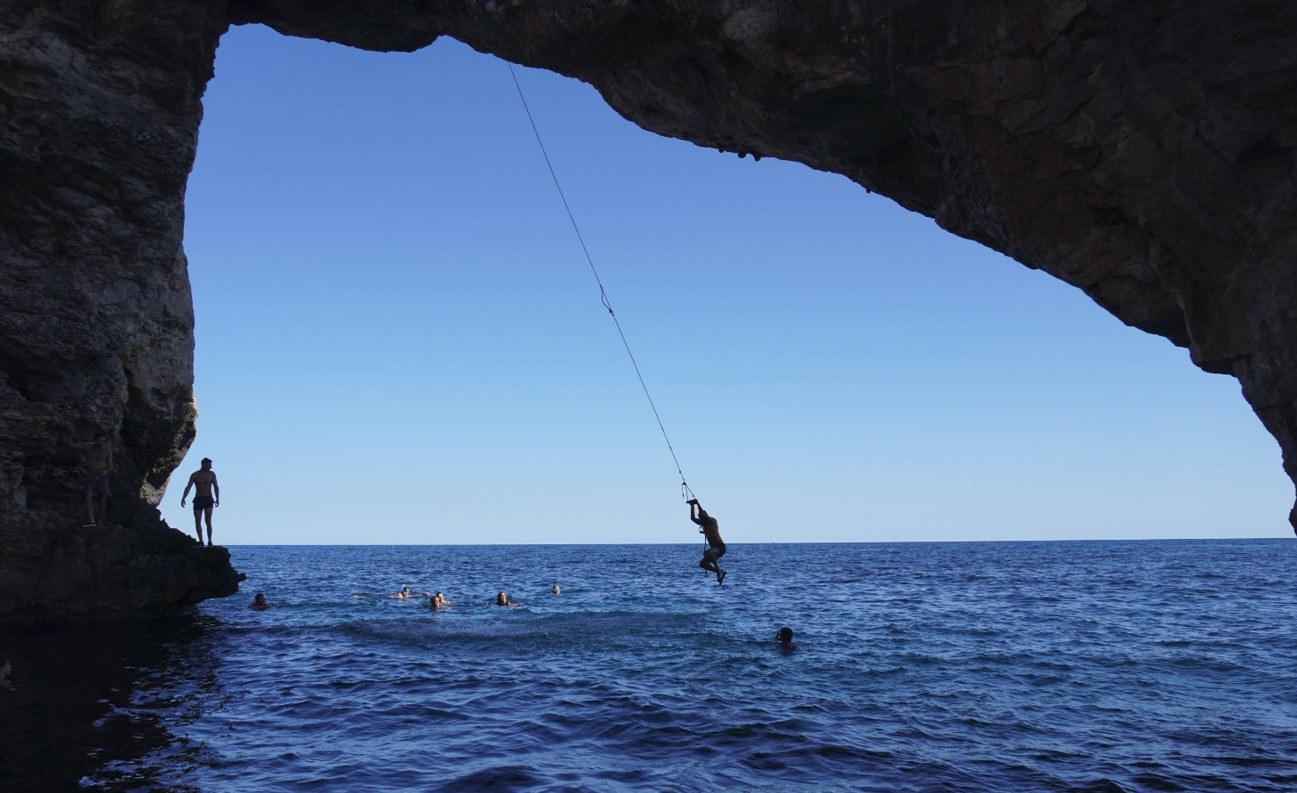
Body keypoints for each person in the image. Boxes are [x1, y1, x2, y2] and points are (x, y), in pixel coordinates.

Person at [180, 458, 220, 546]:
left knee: (208, 521)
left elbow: (216, 487)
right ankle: (201, 540)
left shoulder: (212, 474)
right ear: (204, 464)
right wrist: (183, 498)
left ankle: (210, 541)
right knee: (198, 521)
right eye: (209, 464)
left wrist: (217, 498)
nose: (211, 466)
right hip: (198, 499)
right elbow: (188, 487)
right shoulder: (195, 475)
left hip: (208, 499)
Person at [688, 499, 726, 585]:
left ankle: (719, 572)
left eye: (702, 517)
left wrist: (697, 503)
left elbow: (703, 515)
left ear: (705, 515)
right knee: (702, 564)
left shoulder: (713, 521)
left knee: (708, 552)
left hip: (720, 547)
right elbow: (693, 518)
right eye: (700, 518)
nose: (700, 519)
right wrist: (692, 506)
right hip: (714, 548)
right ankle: (720, 571)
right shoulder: (704, 525)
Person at [80, 432, 113, 527]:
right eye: (99, 440)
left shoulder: (107, 450)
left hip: (102, 477)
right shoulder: (89, 448)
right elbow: (75, 445)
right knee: (88, 498)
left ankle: (99, 521)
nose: (101, 442)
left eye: (103, 440)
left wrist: (106, 471)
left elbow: (111, 466)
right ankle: (91, 521)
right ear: (95, 441)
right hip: (91, 475)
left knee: (102, 499)